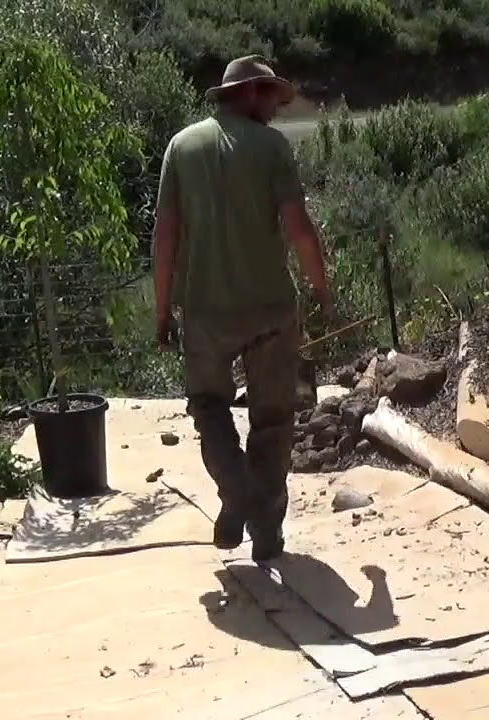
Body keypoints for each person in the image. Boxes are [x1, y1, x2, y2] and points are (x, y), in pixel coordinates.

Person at [152, 55, 333, 563]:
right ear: (250, 93)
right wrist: (322, 290)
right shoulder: (271, 147)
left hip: (206, 311)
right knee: (273, 420)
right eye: (272, 98)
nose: (276, 108)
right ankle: (267, 529)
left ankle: (235, 491)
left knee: (209, 408)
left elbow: (165, 237)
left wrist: (162, 311)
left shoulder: (181, 147)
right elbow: (299, 229)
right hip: (271, 310)